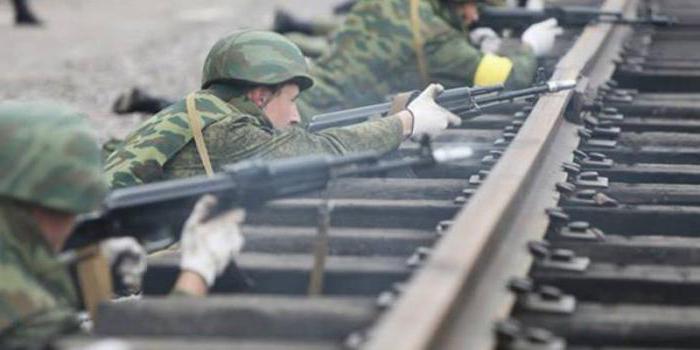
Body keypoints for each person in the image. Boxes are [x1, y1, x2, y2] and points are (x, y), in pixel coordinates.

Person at [0, 101, 245, 349]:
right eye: (67, 210)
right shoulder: (30, 322)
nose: (72, 222)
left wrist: (73, 274)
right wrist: (198, 273)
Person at [103, 30, 460, 188]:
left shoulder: (203, 112)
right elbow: (317, 150)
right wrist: (407, 122)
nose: (296, 116)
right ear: (259, 96)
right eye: (290, 101)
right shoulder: (228, 132)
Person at [294, 0, 563, 117]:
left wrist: (471, 40)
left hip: (303, 97)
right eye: (471, 5)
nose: (474, 16)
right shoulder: (435, 38)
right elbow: (509, 79)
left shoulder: (404, 7)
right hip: (319, 119)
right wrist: (529, 46)